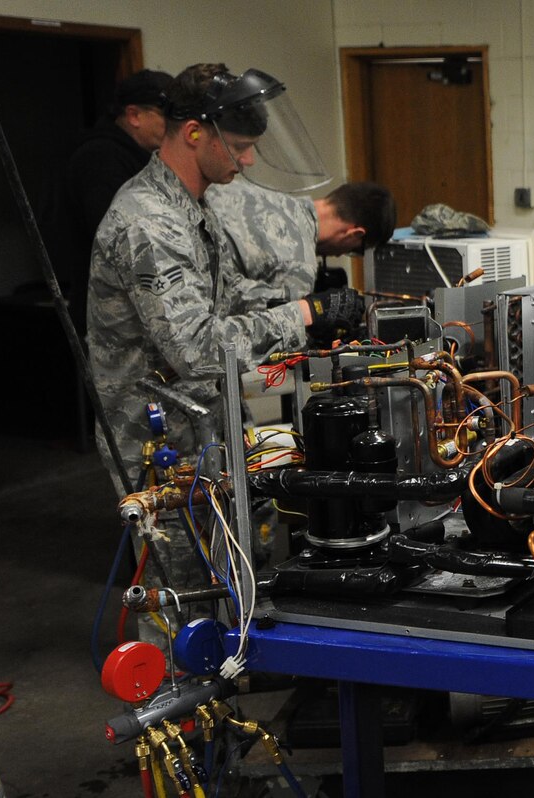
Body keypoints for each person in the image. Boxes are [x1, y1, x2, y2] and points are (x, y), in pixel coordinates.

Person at [86, 64, 363, 650]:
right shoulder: (147, 222)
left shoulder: (193, 206)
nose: (249, 162)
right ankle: (176, 718)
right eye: (238, 147)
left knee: (217, 574)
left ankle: (216, 696)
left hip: (199, 421)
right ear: (194, 134)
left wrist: (305, 310)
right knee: (178, 592)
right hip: (153, 439)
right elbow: (195, 347)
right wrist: (303, 316)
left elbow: (221, 295)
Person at [59, 69, 173, 336]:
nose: (173, 126)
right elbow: (120, 239)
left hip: (134, 312)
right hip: (112, 322)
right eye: (166, 116)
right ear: (134, 115)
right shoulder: (101, 158)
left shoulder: (143, 159)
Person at [206, 179, 396, 300]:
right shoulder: (299, 267)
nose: (340, 254)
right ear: (354, 234)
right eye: (356, 250)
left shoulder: (251, 189)